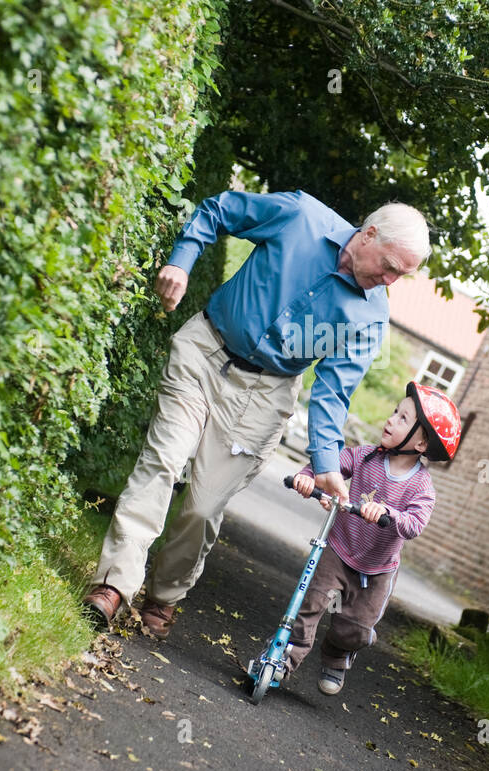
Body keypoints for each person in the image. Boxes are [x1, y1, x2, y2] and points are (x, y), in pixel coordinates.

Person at [81, 189, 431, 638]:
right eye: (390, 266)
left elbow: (332, 391)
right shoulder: (301, 217)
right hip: (204, 354)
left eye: (401, 276)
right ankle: (112, 586)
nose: (390, 281)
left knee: (203, 507)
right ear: (369, 235)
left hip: (265, 396)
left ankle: (164, 595)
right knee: (163, 462)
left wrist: (326, 466)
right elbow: (218, 210)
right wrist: (181, 263)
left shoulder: (369, 316)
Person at [283, 381, 461, 695]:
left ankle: (337, 656)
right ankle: (283, 658)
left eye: (403, 419)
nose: (390, 420)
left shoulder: (421, 487)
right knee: (310, 605)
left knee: (356, 628)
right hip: (338, 549)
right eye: (394, 412)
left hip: (378, 571)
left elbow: (415, 524)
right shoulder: (365, 457)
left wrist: (388, 513)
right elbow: (332, 465)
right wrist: (308, 476)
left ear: (421, 444)